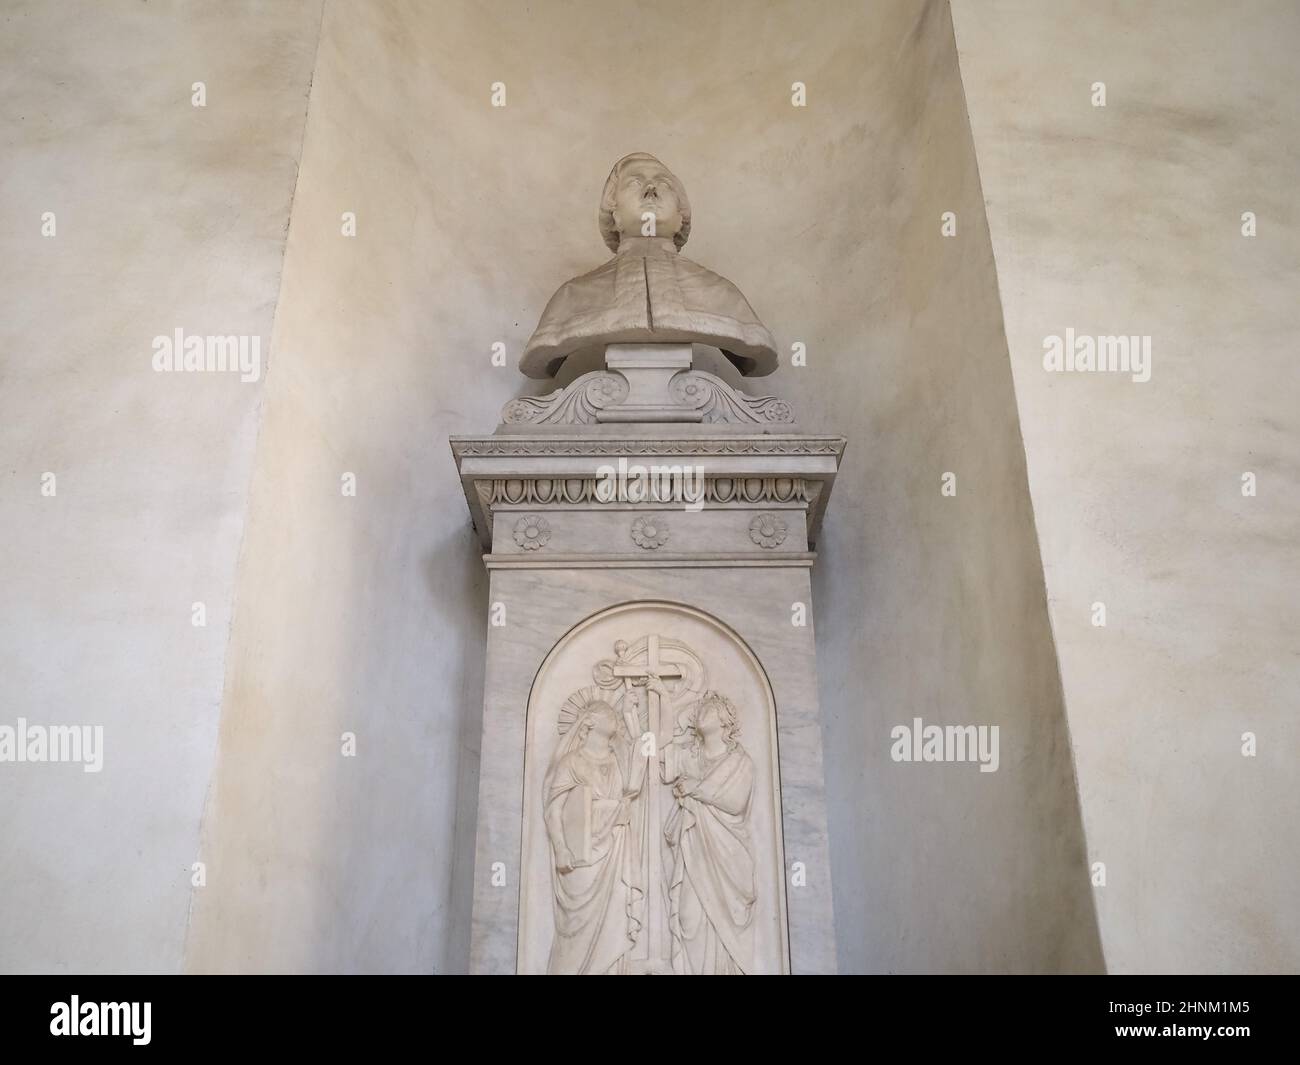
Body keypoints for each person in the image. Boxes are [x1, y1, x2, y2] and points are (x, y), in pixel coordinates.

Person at [664, 692, 757, 974]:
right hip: (692, 850)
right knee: (689, 917)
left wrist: (695, 788)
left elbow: (735, 800)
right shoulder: (689, 757)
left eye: (709, 709)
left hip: (728, 854)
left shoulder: (740, 761)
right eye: (700, 709)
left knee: (723, 922)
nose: (701, 712)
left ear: (724, 720)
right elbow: (657, 757)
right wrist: (659, 701)